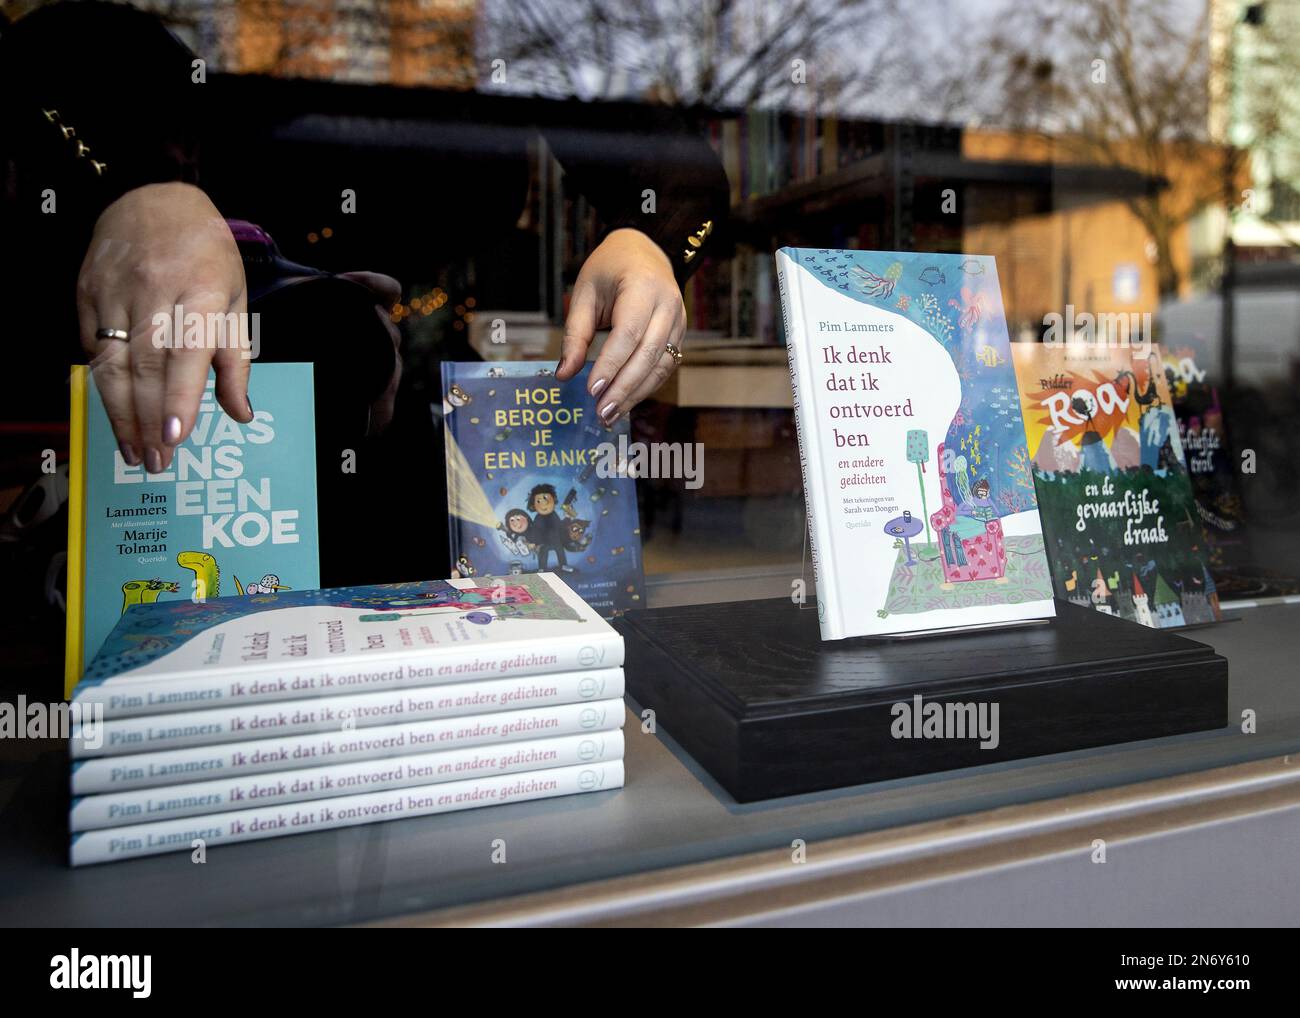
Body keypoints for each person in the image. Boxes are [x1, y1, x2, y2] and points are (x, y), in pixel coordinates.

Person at [0, 0, 727, 581]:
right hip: (201, 459)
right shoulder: (147, 42)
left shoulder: (509, 34)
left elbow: (676, 167)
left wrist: (649, 245)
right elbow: (36, 79)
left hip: (417, 441)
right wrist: (131, 203)